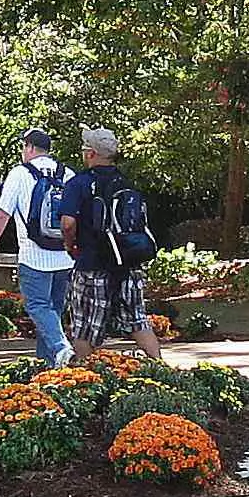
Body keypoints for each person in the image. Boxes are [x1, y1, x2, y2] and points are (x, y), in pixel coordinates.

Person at [60, 127, 164, 360]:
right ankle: (161, 368)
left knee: (84, 327)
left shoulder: (79, 183)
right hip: (128, 262)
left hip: (91, 265)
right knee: (138, 321)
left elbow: (67, 224)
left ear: (91, 153)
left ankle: (85, 376)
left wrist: (70, 246)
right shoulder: (126, 182)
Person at [0, 128, 76, 367]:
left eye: (24, 147)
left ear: (30, 147)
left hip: (33, 256)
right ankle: (50, 365)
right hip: (65, 257)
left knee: (38, 306)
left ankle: (62, 348)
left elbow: (3, 213)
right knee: (52, 310)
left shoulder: (20, 174)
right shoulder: (68, 175)